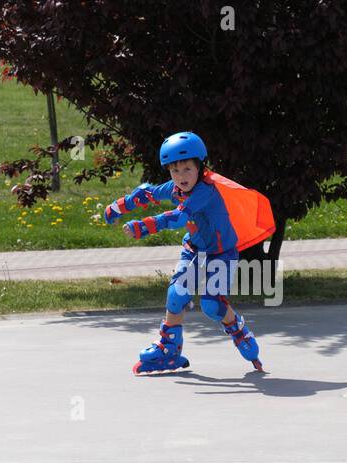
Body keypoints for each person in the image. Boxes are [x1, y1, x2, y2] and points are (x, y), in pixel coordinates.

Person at [104, 131, 275, 374]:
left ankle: (238, 329)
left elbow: (179, 216)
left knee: (211, 305)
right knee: (176, 294)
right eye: (175, 170)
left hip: (221, 253)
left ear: (200, 167)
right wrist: (118, 207)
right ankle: (169, 349)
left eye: (187, 169)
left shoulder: (206, 191)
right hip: (194, 250)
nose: (181, 176)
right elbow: (148, 193)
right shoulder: (175, 188)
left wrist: (142, 227)